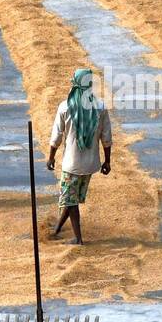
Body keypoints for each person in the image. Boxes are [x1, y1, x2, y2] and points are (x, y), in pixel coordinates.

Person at [46, 68, 112, 244]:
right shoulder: (100, 107)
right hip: (90, 164)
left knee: (69, 199)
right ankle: (58, 228)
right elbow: (107, 137)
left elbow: (56, 136)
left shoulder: (65, 106)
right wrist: (107, 161)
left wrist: (51, 157)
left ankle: (78, 239)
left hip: (72, 163)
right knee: (71, 198)